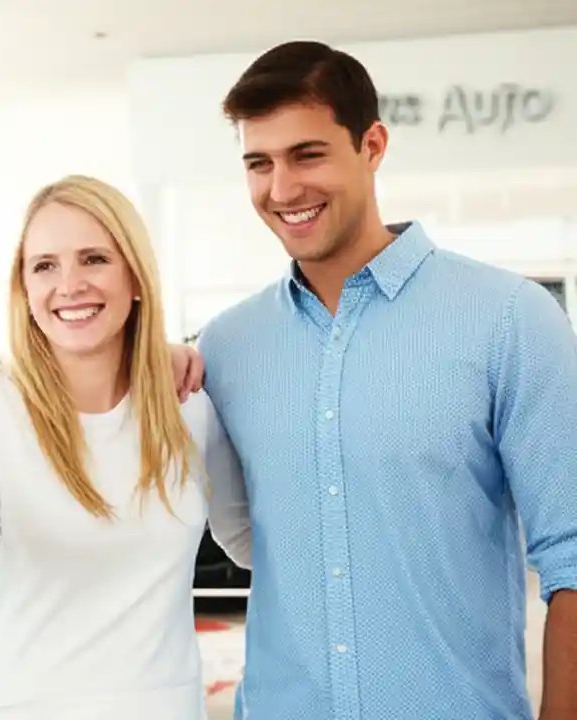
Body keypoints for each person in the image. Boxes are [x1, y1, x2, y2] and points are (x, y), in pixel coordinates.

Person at [195, 40, 577, 719]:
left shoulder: (511, 320)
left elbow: (572, 556)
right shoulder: (226, 348)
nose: (282, 190)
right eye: (260, 163)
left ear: (372, 145)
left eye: (308, 155)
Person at [0, 174, 252, 718]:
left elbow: (250, 542)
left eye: (93, 259)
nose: (70, 284)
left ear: (135, 275)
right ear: (25, 289)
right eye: (45, 266)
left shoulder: (189, 407)